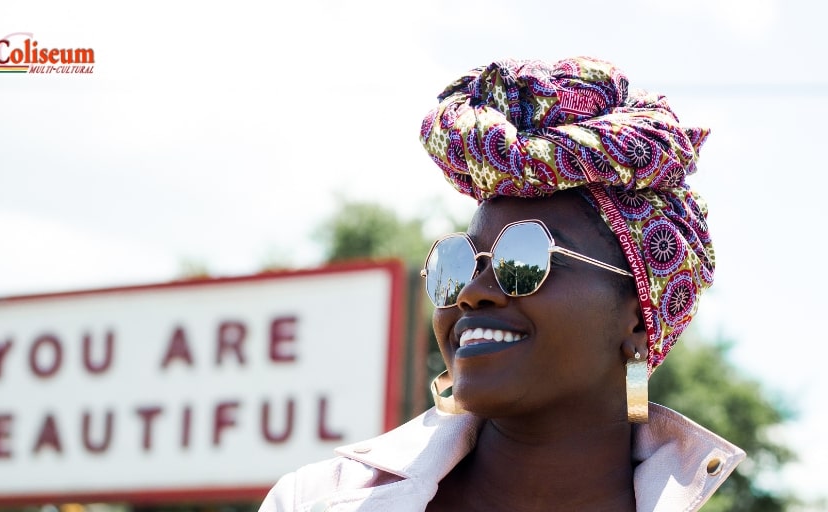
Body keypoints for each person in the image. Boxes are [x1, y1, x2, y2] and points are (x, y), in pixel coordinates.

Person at [260, 56, 744, 511]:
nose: (471, 292)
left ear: (638, 319)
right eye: (461, 262)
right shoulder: (313, 501)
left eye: (525, 259)